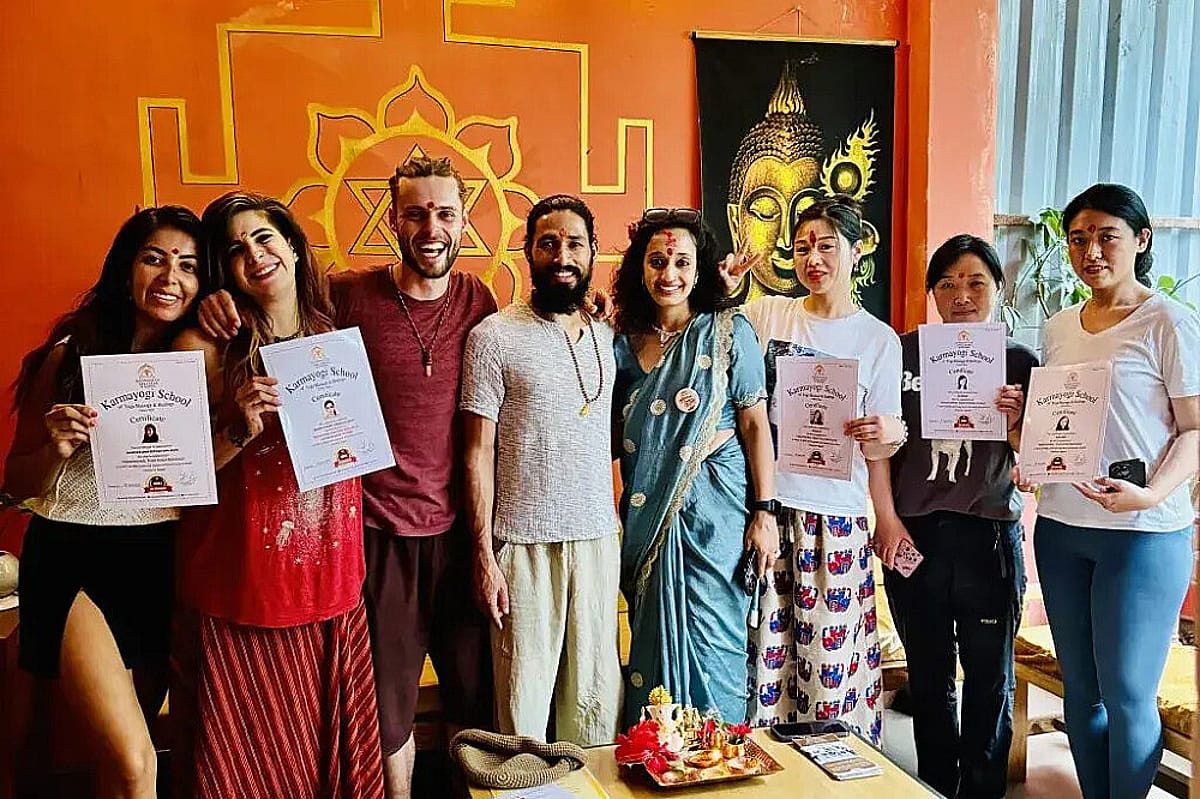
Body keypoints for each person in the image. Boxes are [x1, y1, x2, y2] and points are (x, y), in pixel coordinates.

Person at [197, 156, 497, 799]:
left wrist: (596, 306)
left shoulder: (481, 302)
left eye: (445, 212)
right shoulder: (347, 297)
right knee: (389, 721)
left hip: (463, 538)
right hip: (375, 535)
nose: (431, 227)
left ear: (464, 218)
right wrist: (215, 295)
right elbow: (275, 295)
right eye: (415, 212)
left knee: (478, 708)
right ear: (391, 219)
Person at [172, 192, 383, 798]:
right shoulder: (203, 347)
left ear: (292, 246)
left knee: (321, 766)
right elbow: (174, 481)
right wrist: (237, 427)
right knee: (248, 770)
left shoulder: (334, 333)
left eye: (264, 238)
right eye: (235, 249)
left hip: (331, 582)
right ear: (222, 269)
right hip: (243, 589)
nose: (255, 255)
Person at [3, 206, 207, 798]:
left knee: (115, 767)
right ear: (126, 270)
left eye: (189, 266)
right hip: (73, 556)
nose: (172, 276)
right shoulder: (72, 354)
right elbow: (18, 479)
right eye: (155, 258)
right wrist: (55, 449)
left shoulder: (202, 362)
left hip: (158, 560)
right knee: (137, 763)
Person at [1017, 183, 1199, 799]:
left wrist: (1152, 496)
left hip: (1143, 535)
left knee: (1126, 694)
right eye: (1078, 238)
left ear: (1140, 240)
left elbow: (1195, 429)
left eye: (1106, 236)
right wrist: (1026, 431)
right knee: (1081, 690)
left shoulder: (1169, 321)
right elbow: (1060, 420)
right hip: (1063, 526)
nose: (1090, 250)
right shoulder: (1060, 326)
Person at [721, 196, 905, 743]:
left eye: (827, 246)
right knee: (766, 663)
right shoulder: (769, 314)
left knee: (830, 661)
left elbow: (882, 445)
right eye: (803, 248)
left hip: (838, 519)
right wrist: (727, 286)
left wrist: (890, 447)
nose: (814, 259)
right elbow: (712, 333)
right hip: (770, 512)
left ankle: (838, 767)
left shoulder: (879, 339)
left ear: (855, 251)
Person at [875, 234, 1037, 798]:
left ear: (997, 288)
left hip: (988, 536)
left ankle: (985, 788)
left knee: (990, 675)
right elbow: (880, 448)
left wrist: (1018, 421)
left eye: (975, 282)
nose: (961, 295)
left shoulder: (1019, 361)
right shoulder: (898, 352)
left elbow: (1034, 462)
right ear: (932, 294)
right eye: (947, 284)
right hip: (916, 532)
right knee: (928, 673)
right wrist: (887, 520)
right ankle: (936, 786)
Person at [463, 194, 622, 745]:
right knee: (521, 706)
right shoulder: (493, 338)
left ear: (593, 252)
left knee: (596, 705)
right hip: (522, 547)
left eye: (574, 243)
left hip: (598, 542)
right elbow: (476, 452)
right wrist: (483, 554)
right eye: (548, 243)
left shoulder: (609, 336)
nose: (562, 255)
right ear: (528, 252)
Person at [610, 208, 776, 726]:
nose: (670, 274)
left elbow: (754, 424)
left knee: (717, 635)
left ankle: (721, 752)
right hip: (647, 514)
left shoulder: (727, 332)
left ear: (701, 268)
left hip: (717, 514)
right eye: (657, 261)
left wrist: (764, 512)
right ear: (640, 269)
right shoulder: (620, 342)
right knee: (653, 638)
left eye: (683, 261)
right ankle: (656, 754)